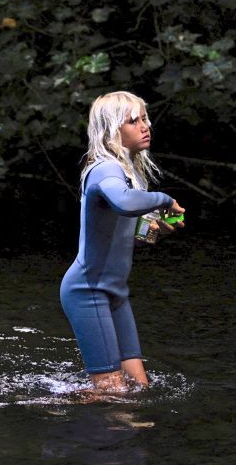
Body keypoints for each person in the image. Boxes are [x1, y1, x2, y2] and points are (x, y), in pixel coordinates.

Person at [59, 91, 185, 392]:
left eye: (144, 119)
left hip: (115, 293)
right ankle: (48, 409)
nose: (145, 126)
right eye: (134, 121)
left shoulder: (129, 174)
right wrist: (165, 198)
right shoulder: (105, 169)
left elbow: (128, 237)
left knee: (139, 386)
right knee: (112, 390)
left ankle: (115, 428)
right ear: (113, 130)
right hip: (88, 291)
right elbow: (126, 203)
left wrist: (155, 230)